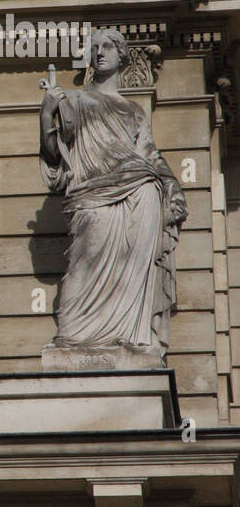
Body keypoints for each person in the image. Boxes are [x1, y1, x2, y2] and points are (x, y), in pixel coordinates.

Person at [40, 29, 186, 355]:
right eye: (93, 48)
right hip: (92, 199)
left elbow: (151, 156)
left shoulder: (134, 111)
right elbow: (53, 153)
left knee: (132, 276)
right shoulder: (74, 100)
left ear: (122, 55)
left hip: (140, 194)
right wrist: (47, 112)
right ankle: (73, 340)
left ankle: (130, 340)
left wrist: (173, 189)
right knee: (82, 267)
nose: (99, 52)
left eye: (107, 46)